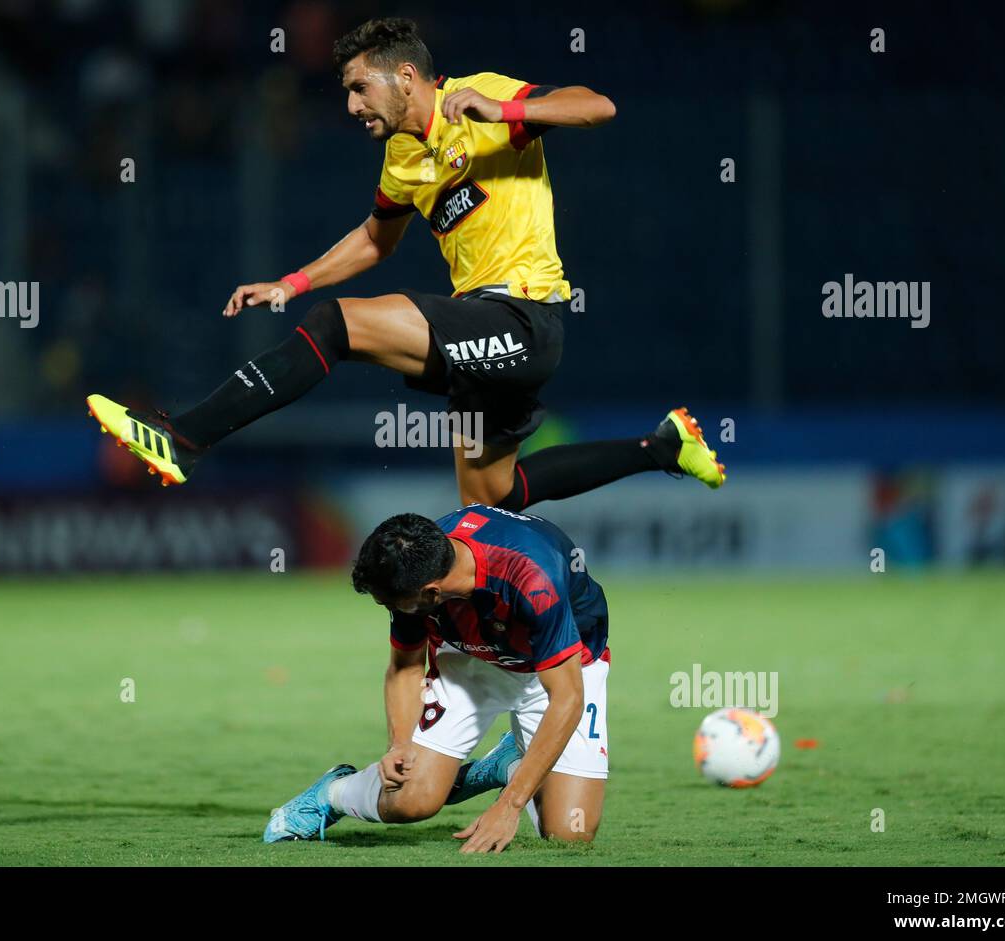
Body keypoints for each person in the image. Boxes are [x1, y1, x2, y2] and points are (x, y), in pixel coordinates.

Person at [86, 16, 725, 503]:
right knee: (492, 497)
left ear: (406, 78)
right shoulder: (402, 157)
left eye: (360, 87)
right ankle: (661, 447)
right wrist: (291, 282)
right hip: (484, 335)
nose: (351, 105)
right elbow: (375, 239)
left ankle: (186, 437)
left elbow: (597, 106)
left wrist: (505, 110)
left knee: (337, 326)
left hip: (525, 318)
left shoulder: (480, 97)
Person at [264, 505, 611, 853]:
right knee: (410, 800)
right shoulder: (417, 563)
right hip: (470, 660)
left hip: (563, 668)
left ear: (431, 593)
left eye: (393, 604)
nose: (391, 609)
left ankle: (512, 768)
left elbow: (567, 698)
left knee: (569, 831)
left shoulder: (532, 578)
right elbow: (404, 667)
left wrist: (510, 806)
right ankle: (333, 793)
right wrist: (399, 744)